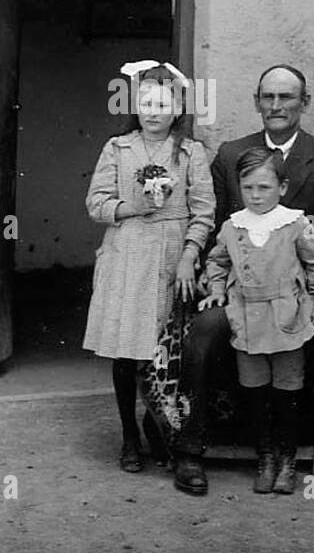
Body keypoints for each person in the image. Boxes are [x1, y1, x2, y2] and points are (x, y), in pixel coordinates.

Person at [172, 64, 314, 496]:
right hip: (243, 293)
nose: (276, 106)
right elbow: (217, 230)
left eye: (287, 97)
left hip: (300, 297)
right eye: (268, 97)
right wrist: (215, 285)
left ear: (305, 103)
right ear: (257, 101)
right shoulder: (229, 155)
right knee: (203, 331)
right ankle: (190, 448)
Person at [83, 62, 215, 473]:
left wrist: (190, 256)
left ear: (177, 109)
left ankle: (157, 424)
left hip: (172, 255)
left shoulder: (191, 152)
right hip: (128, 251)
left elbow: (204, 211)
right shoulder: (117, 149)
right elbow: (95, 203)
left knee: (164, 348)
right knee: (126, 349)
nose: (153, 111)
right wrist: (130, 207)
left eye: (162, 103)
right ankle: (128, 436)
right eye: (145, 103)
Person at [200, 146, 314, 495]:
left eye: (264, 188)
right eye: (248, 188)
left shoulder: (295, 223)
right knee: (255, 390)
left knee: (286, 390)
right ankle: (265, 456)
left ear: (282, 188)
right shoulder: (233, 226)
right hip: (247, 320)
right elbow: (218, 261)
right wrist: (216, 288)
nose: (256, 196)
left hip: (287, 318)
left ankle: (287, 459)